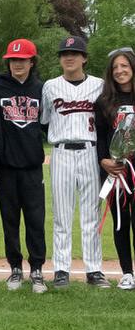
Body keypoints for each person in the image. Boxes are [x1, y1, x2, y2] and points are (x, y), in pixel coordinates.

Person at [41, 36, 110, 288]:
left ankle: (94, 270)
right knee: (62, 213)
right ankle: (61, 269)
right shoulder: (50, 86)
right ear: (60, 59)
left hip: (90, 152)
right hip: (60, 152)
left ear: (84, 58)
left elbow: (106, 122)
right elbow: (45, 119)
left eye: (74, 53)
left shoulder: (100, 85)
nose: (68, 57)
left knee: (91, 213)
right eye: (64, 53)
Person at [0, 39, 48, 293]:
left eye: (22, 60)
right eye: (13, 60)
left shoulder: (42, 88)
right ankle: (15, 268)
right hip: (6, 167)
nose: (17, 64)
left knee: (36, 220)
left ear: (31, 62)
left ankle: (36, 269)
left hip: (33, 166)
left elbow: (48, 126)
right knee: (9, 220)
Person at [94, 47, 135, 290]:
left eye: (124, 66)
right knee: (121, 221)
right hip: (115, 171)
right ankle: (127, 273)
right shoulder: (104, 101)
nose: (120, 71)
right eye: (115, 68)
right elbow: (99, 136)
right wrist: (104, 160)